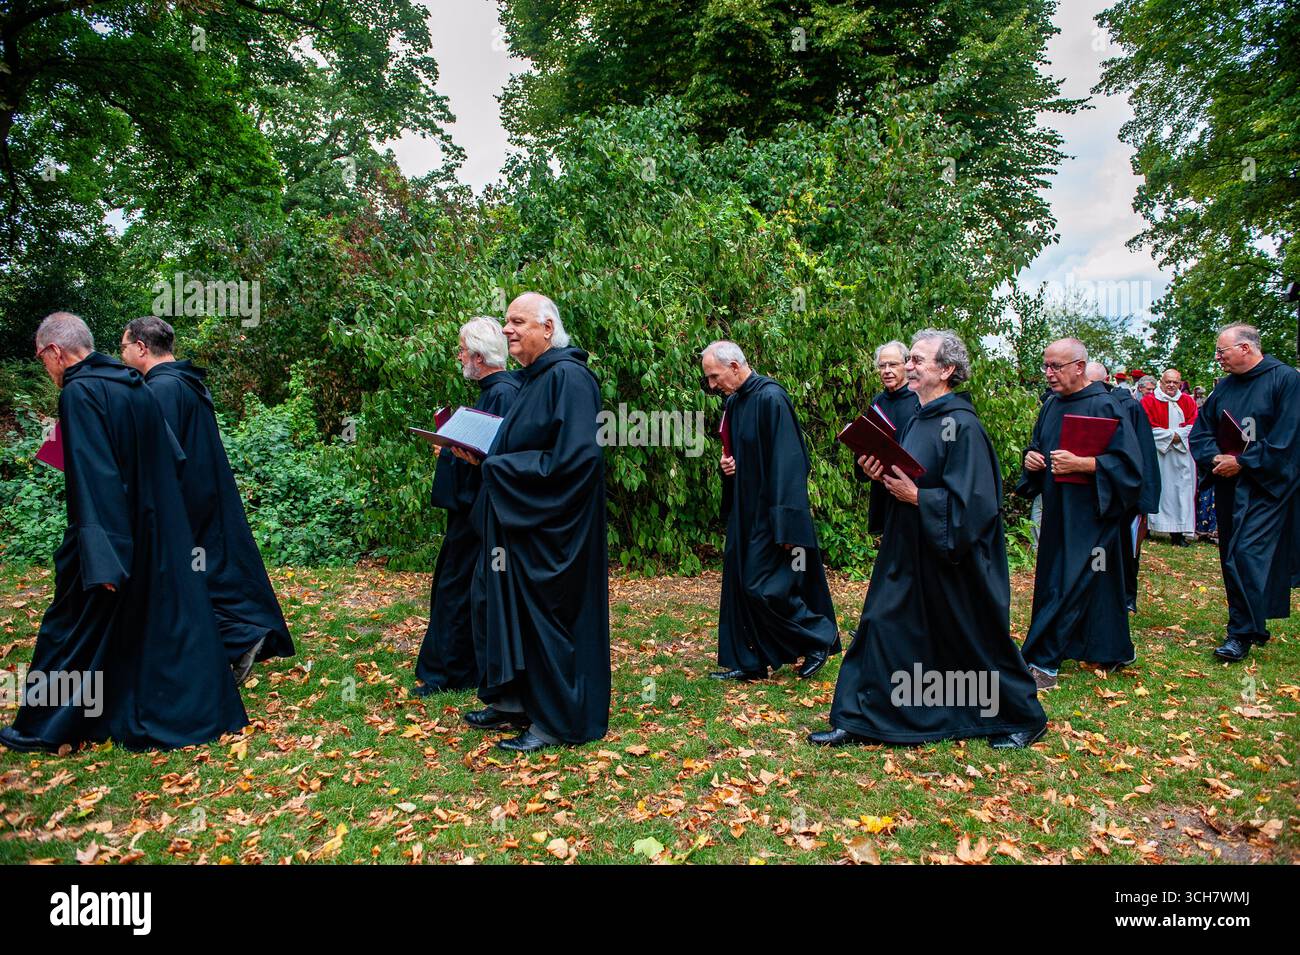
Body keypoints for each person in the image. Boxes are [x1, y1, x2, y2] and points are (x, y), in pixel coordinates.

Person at [0, 313, 246, 753]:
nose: (45, 367)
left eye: (42, 358)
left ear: (55, 351)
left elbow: (96, 479)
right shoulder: (131, 384)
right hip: (155, 531)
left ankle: (44, 727)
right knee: (154, 625)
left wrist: (102, 557)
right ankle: (185, 709)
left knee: (70, 627)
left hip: (110, 538)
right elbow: (172, 456)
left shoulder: (81, 392)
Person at [810, 330, 1047, 748]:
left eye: (919, 360)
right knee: (881, 625)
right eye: (910, 360)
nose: (909, 367)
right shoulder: (915, 419)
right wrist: (879, 472)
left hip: (950, 558)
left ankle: (1022, 716)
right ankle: (859, 717)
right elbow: (905, 474)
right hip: (906, 549)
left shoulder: (964, 426)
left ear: (947, 369)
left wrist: (920, 497)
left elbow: (977, 503)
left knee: (974, 638)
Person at [457, 293, 609, 752]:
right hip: (524, 524)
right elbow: (522, 442)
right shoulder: (535, 379)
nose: (508, 330)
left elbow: (578, 462)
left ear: (547, 327)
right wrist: (484, 455)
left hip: (556, 532)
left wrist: (500, 469)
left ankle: (560, 721)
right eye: (506, 322)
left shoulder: (571, 379)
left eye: (517, 322)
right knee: (511, 613)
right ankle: (517, 703)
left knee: (552, 621)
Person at [120, 316, 293, 684]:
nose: (120, 354)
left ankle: (238, 640)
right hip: (202, 492)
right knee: (205, 574)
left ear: (141, 346)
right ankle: (239, 639)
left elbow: (157, 453)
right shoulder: (185, 382)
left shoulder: (162, 389)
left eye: (123, 346)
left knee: (177, 579)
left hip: (180, 499)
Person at [703, 340, 840, 682]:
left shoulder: (772, 398)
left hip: (771, 511)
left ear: (735, 366)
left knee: (761, 585)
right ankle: (750, 662)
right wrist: (728, 466)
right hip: (744, 509)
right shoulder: (734, 403)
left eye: (715, 376)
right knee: (739, 583)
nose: (712, 385)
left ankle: (817, 638)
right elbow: (741, 453)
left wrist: (785, 524)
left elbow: (790, 463)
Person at [1016, 340, 1143, 690]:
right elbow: (1038, 445)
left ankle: (1044, 661)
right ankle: (1111, 648)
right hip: (1058, 507)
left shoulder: (1106, 405)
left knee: (1070, 582)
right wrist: (1032, 459)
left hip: (1094, 512)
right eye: (1046, 366)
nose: (1049, 373)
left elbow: (1131, 467)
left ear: (1079, 366)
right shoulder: (1051, 404)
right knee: (1090, 580)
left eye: (1056, 366)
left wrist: (1087, 465)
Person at [414, 318, 520, 695]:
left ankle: (451, 672)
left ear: (478, 355)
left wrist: (457, 451)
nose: (459, 356)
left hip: (478, 510)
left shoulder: (504, 393)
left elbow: (498, 454)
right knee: (454, 585)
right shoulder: (494, 390)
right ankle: (453, 668)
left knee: (457, 587)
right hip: (470, 508)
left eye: (462, 349)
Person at [1188, 324, 1300, 662]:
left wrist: (1245, 462)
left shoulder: (1286, 380)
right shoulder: (1224, 388)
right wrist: (1215, 458)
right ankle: (1247, 625)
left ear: (1247, 349)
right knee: (1229, 556)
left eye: (1222, 352)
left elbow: (1288, 436)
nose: (1218, 358)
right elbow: (1202, 430)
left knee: (1246, 554)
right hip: (1229, 485)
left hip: (1268, 487)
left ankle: (1242, 631)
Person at [1086, 362, 1160, 611]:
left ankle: (1127, 595)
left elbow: (1141, 452)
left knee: (1126, 548)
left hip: (1123, 489)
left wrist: (1144, 496)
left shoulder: (1127, 406)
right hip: (1095, 487)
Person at [857, 341, 920, 535]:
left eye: (893, 365)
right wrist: (866, 467)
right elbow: (867, 444)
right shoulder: (878, 401)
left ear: (906, 364)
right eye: (882, 366)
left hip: (912, 493)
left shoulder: (920, 399)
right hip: (884, 489)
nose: (887, 371)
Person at [1141, 368, 1199, 546]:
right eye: (1168, 382)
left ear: (1180, 383)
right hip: (1159, 455)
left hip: (1182, 455)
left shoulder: (1188, 401)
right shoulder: (1149, 401)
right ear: (1161, 382)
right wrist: (1173, 436)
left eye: (1175, 382)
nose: (1172, 385)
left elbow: (1194, 424)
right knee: (1160, 489)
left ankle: (1178, 531)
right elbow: (1147, 427)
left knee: (1182, 491)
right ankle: (1151, 527)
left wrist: (1176, 436)